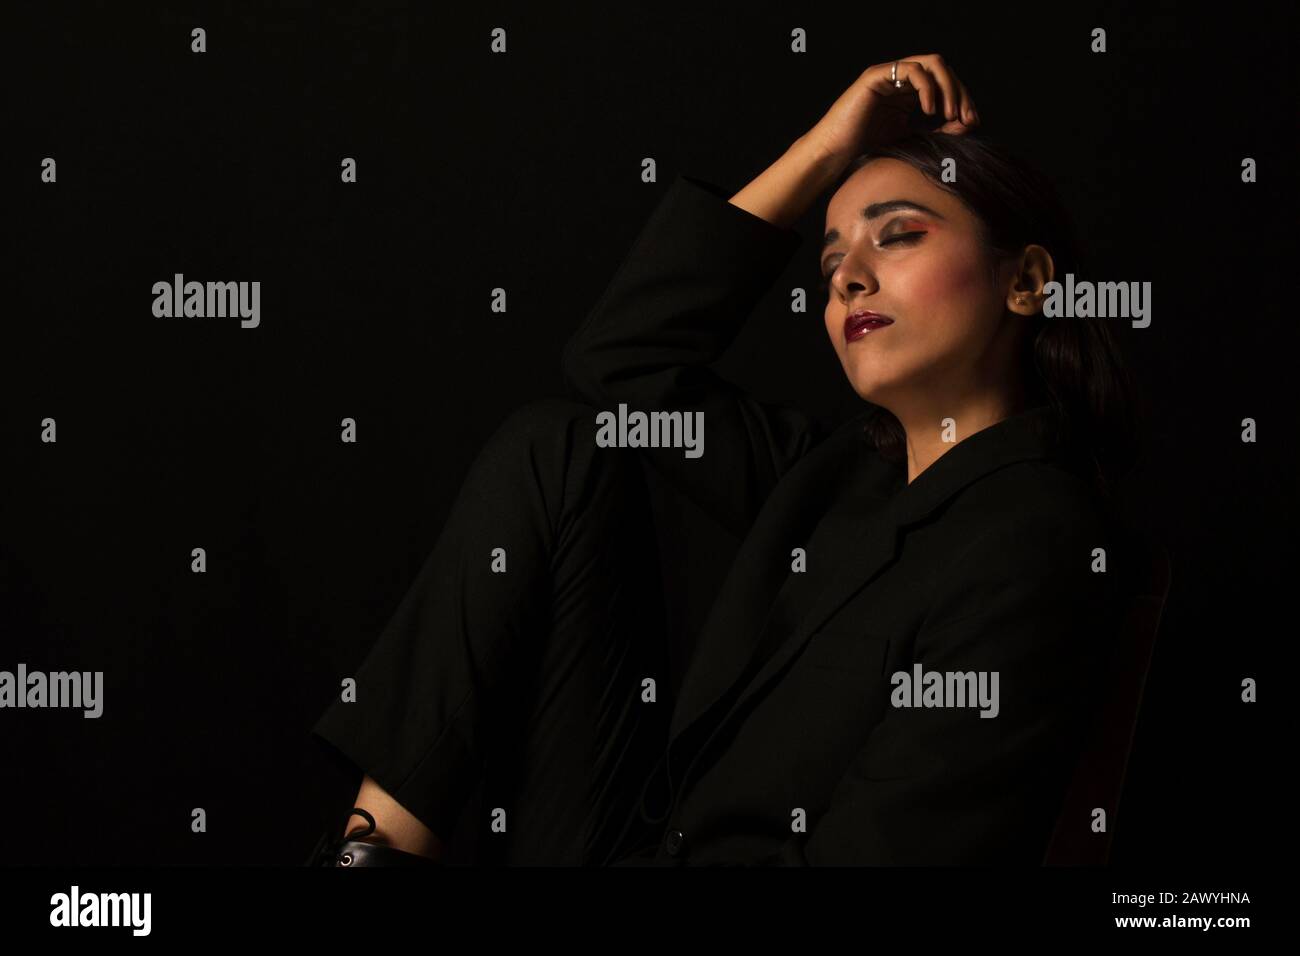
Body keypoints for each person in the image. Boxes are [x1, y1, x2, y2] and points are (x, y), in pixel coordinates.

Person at [307, 53, 1143, 867]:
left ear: (1026, 282)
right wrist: (824, 150)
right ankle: (370, 854)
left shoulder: (1036, 539)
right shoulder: (832, 479)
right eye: (829, 264)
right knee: (555, 449)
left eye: (898, 237)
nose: (849, 277)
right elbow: (623, 362)